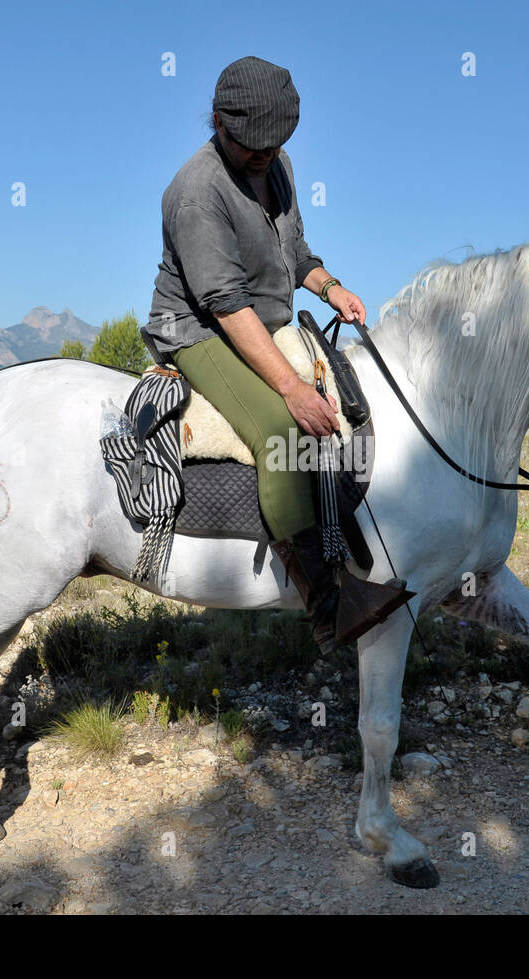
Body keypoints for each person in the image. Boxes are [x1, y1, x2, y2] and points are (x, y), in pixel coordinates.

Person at [141, 56, 412, 653]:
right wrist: (291, 388)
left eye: (274, 142)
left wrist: (331, 286)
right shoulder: (194, 192)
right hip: (199, 329)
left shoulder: (278, 164)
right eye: (251, 144)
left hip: (263, 319)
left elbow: (296, 252)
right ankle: (327, 605)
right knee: (280, 430)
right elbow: (224, 303)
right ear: (216, 121)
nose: (263, 154)